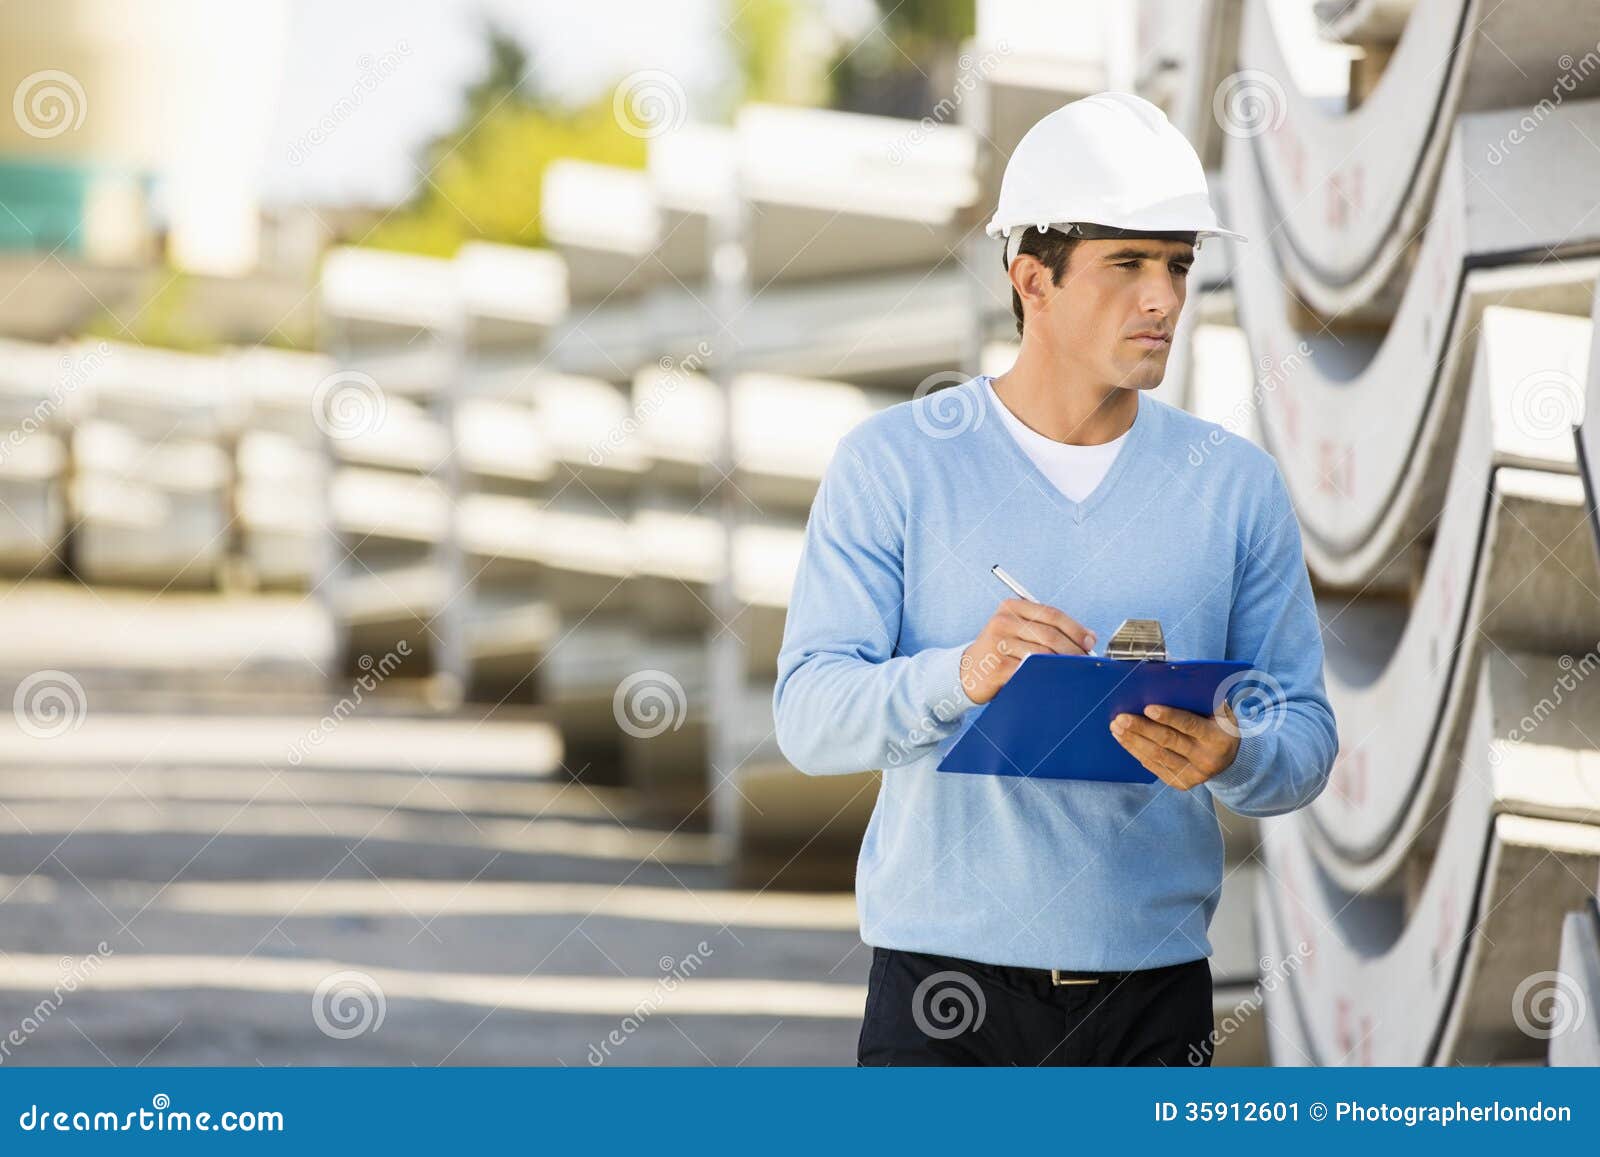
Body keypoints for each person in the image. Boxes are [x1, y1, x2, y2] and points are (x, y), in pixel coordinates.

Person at [771, 92, 1338, 1066]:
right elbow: (808, 715)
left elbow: (1307, 734)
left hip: (1153, 1006)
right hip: (940, 999)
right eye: (1127, 265)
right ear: (1031, 278)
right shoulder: (896, 463)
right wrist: (964, 671)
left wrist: (1232, 752)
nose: (1162, 297)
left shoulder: (1233, 484)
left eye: (1177, 265)